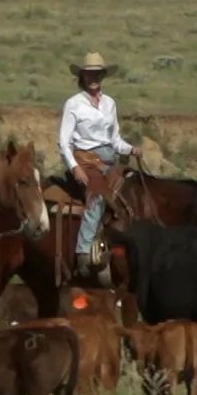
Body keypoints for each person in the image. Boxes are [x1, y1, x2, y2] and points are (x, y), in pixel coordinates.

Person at [57, 51, 142, 277]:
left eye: (97, 74)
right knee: (97, 198)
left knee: (130, 192)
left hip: (109, 160)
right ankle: (83, 252)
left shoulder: (110, 104)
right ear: (82, 76)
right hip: (85, 160)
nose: (94, 78)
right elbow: (64, 142)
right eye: (89, 74)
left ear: (103, 76)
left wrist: (130, 149)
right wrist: (75, 167)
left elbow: (115, 140)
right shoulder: (74, 104)